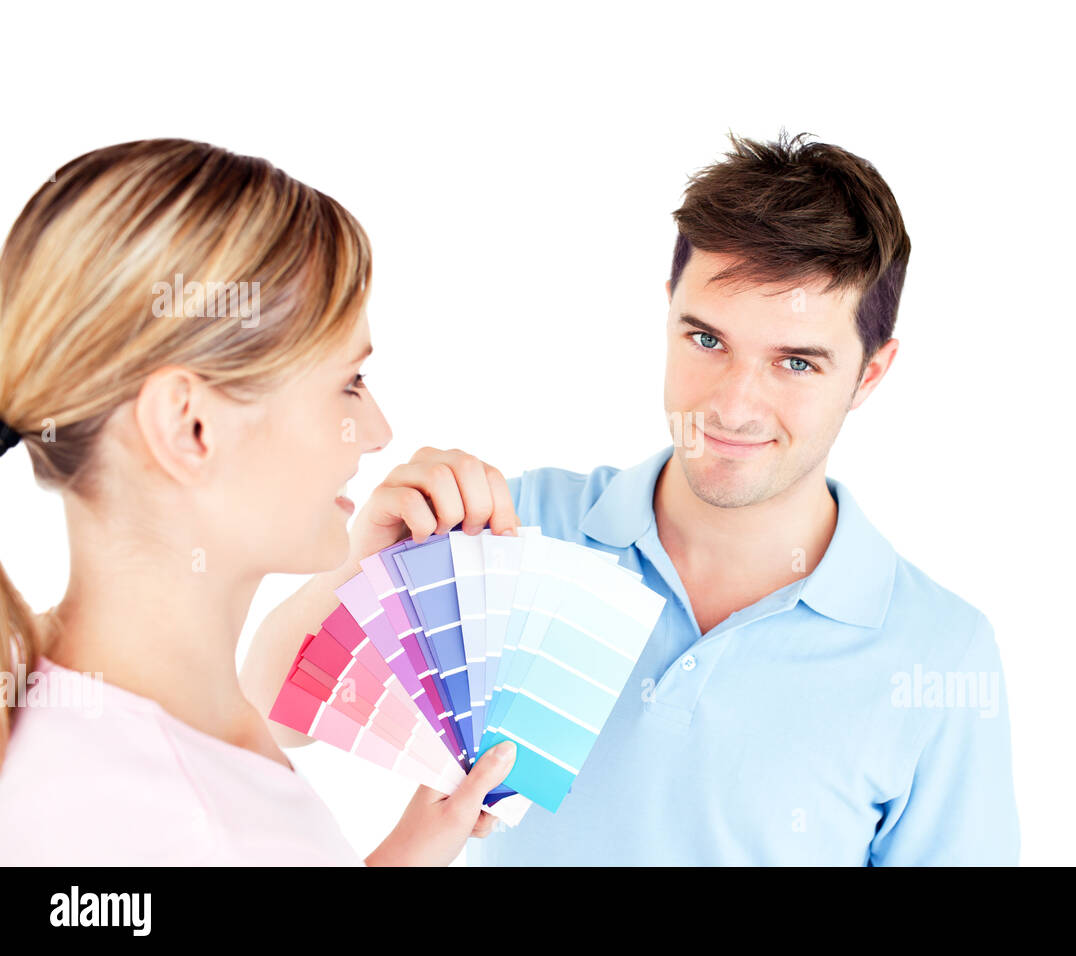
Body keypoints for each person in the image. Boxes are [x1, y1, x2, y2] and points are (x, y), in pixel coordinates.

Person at [244, 131, 1020, 866]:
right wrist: (356, 566)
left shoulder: (938, 652)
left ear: (872, 374)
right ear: (668, 312)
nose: (734, 406)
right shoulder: (515, 531)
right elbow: (267, 716)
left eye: (796, 363)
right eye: (706, 340)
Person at [0, 139, 520, 865]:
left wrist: (409, 849)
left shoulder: (99, 728)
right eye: (348, 384)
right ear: (191, 427)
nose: (377, 431)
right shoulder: (147, 818)